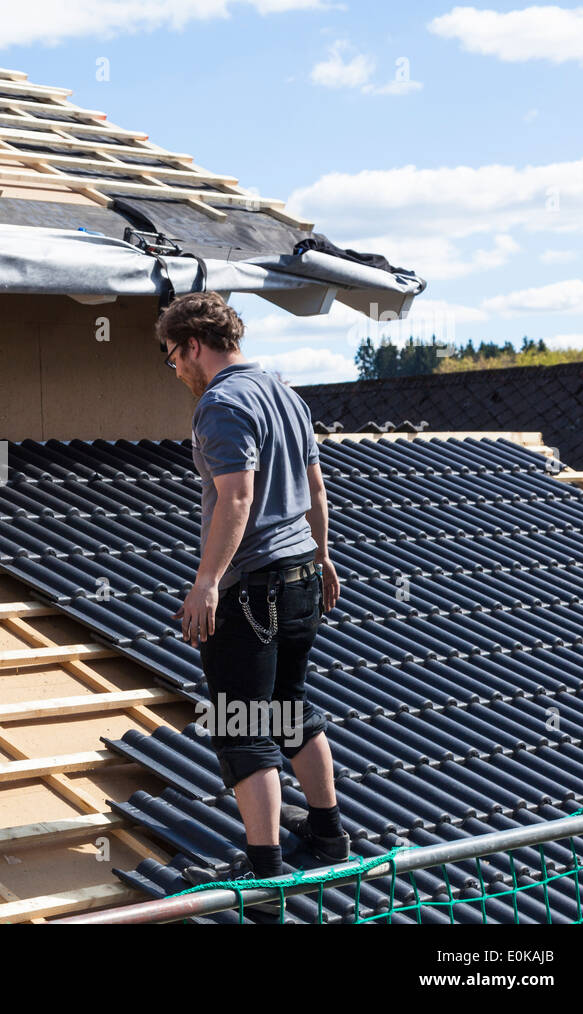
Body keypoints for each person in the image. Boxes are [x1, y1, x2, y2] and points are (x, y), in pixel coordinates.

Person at [158, 291, 350, 888]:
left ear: (194, 344)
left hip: (251, 587)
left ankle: (265, 874)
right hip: (299, 577)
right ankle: (327, 833)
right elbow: (316, 491)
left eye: (172, 357)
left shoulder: (222, 403)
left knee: (242, 724)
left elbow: (236, 498)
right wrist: (323, 558)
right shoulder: (286, 394)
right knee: (290, 705)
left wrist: (208, 582)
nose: (176, 371)